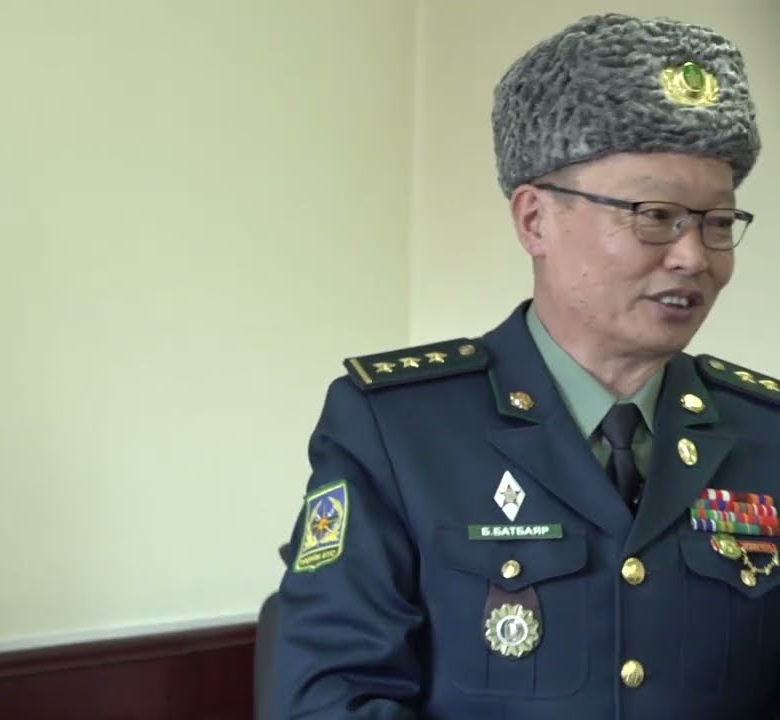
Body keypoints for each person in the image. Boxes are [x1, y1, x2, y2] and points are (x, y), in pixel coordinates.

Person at [269, 13, 775, 719]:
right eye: (656, 215)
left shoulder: (765, 433)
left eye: (717, 223)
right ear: (535, 220)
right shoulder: (399, 429)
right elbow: (328, 697)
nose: (694, 257)